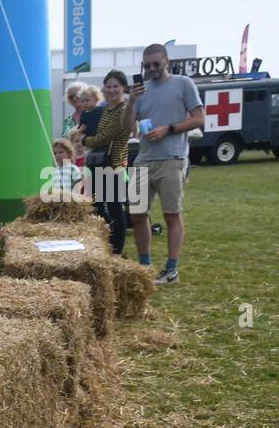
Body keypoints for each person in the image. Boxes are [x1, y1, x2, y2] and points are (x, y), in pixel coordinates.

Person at [123, 43, 204, 284]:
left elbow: (199, 118)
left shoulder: (183, 83)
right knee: (137, 214)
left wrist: (168, 129)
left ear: (166, 61)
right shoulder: (141, 91)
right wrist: (131, 101)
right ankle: (145, 266)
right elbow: (129, 127)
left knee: (171, 215)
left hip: (172, 158)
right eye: (147, 65)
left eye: (156, 64)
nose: (151, 69)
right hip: (143, 160)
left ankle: (171, 270)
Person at [74, 70, 133, 254]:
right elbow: (91, 132)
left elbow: (103, 138)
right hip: (99, 162)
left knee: (115, 207)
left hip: (114, 164)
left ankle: (118, 249)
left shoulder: (123, 110)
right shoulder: (104, 110)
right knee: (98, 205)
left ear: (123, 88)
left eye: (116, 86)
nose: (112, 90)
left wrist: (83, 140)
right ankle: (110, 242)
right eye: (108, 86)